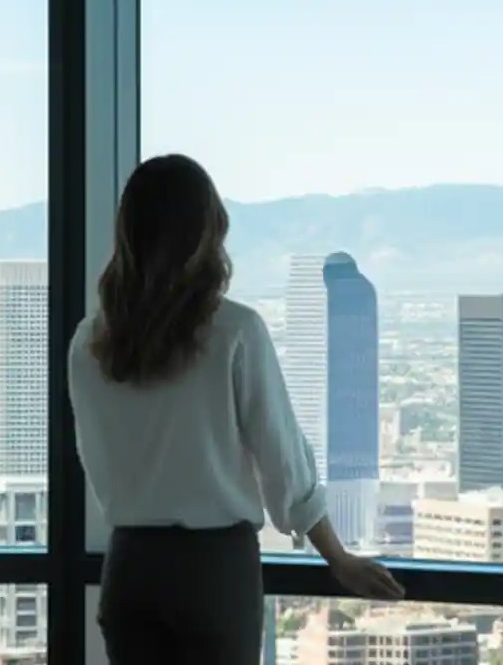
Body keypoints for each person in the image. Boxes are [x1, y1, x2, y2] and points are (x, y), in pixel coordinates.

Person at [68, 154, 404, 663]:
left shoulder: (88, 344)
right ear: (208, 233)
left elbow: (95, 458)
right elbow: (283, 462)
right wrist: (336, 556)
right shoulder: (234, 332)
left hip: (130, 568)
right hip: (213, 573)